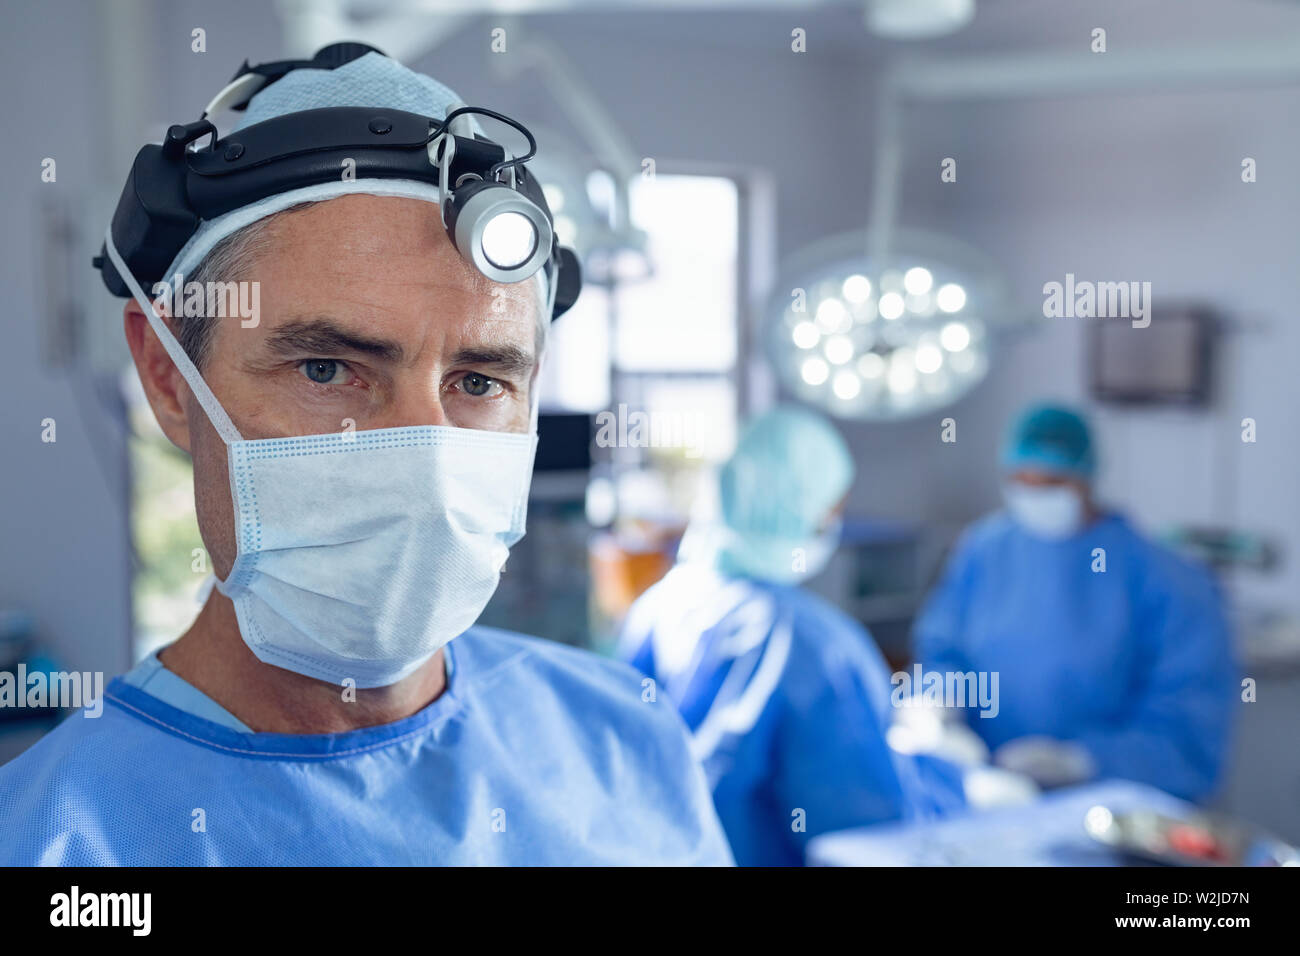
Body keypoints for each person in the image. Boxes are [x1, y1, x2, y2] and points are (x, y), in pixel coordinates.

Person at [0, 49, 732, 866]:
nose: (423, 460)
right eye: (326, 370)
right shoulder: (54, 844)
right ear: (169, 375)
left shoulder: (624, 737)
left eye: (480, 380)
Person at [619, 406, 967, 866]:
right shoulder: (815, 646)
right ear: (814, 511)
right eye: (833, 506)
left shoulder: (658, 606)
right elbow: (869, 836)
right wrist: (951, 781)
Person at [913, 402, 1237, 802]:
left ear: (1086, 479)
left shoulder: (1167, 582)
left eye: (1051, 482)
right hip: (983, 794)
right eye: (1020, 480)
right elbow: (944, 649)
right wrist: (937, 706)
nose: (1034, 494)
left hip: (1105, 812)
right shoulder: (985, 550)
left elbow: (1186, 736)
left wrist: (1083, 761)